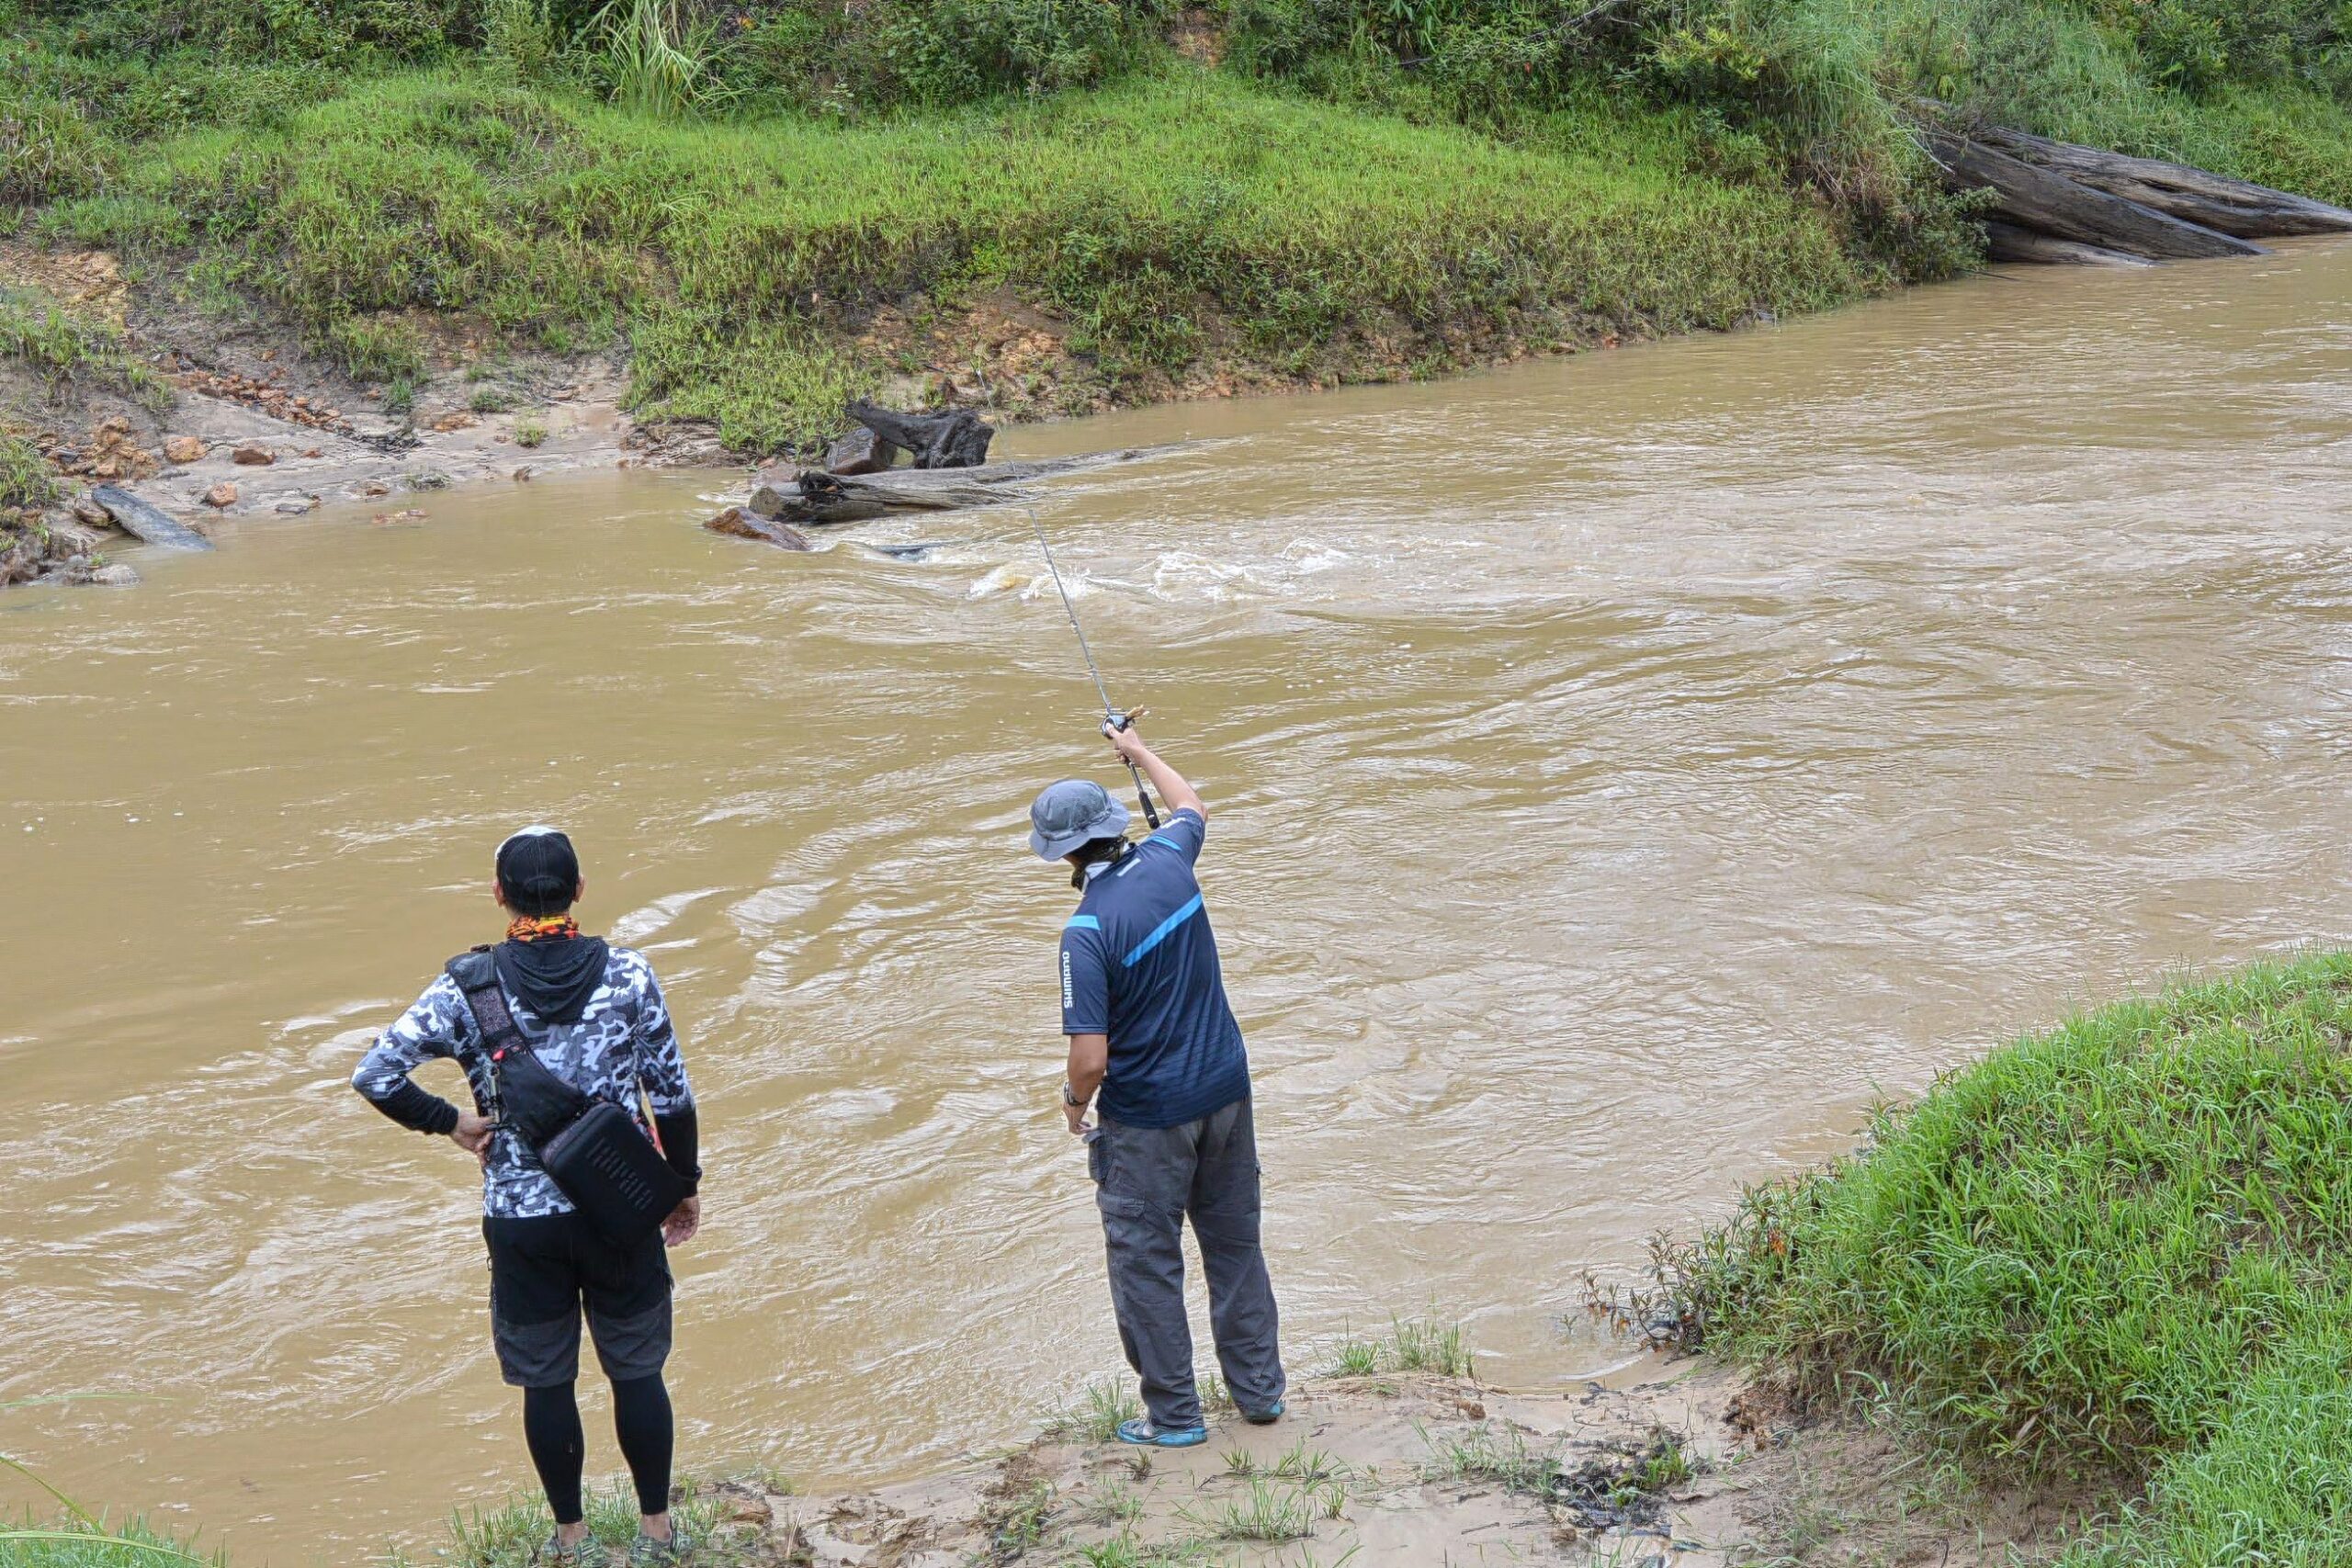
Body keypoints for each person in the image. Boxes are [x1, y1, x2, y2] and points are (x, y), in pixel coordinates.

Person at [352, 827, 703, 1566]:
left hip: (522, 1222)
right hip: (619, 1207)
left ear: (499, 894)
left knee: (547, 1380)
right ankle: (657, 1535)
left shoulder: (465, 988)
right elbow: (670, 1095)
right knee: (637, 1369)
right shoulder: (630, 975)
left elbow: (376, 1075)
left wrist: (452, 1122)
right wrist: (683, 1187)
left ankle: (571, 1540)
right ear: (579, 891)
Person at [1030, 723, 1285, 1448]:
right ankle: (1261, 1394)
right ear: (1113, 828)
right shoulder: (1173, 860)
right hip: (1227, 1093)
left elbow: (1090, 1059)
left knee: (1146, 1264)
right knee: (1235, 1245)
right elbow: (1191, 805)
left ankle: (1174, 1418)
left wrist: (1074, 1108)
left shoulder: (1085, 931)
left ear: (1062, 854)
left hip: (1149, 1122)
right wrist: (1137, 750)